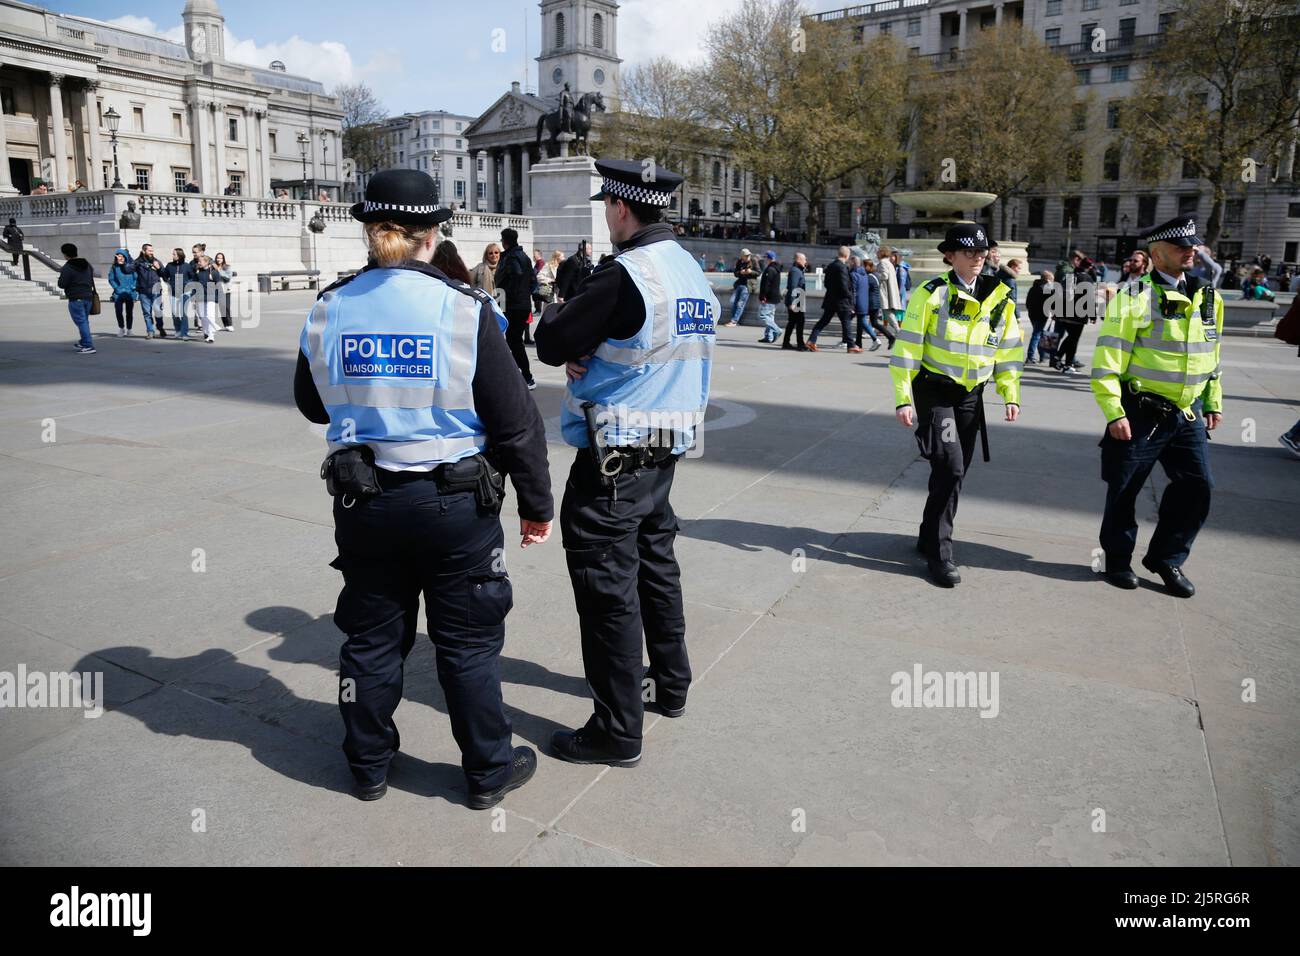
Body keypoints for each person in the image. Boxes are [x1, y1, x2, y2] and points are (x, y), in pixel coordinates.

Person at [294, 168, 553, 806]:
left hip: (366, 502)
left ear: (367, 231)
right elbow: (516, 422)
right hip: (454, 505)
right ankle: (488, 772)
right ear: (432, 235)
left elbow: (311, 404)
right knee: (466, 643)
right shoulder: (465, 308)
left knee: (372, 638)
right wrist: (538, 505)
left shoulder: (331, 305)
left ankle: (368, 766)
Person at [534, 158, 716, 767]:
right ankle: (671, 682)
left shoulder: (625, 274)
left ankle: (616, 729)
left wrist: (573, 337)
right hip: (666, 447)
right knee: (656, 565)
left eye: (606, 208)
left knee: (606, 587)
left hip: (614, 459)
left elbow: (551, 339)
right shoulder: (689, 269)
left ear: (619, 209)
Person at [1092, 217, 1223, 598]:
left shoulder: (1208, 296)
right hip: (1141, 410)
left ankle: (1166, 558)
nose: (1191, 250)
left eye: (1193, 245)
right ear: (1156, 253)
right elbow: (1108, 359)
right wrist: (1114, 411)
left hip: (1187, 412)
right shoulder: (1134, 297)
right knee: (1124, 488)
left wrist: (1212, 400)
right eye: (1182, 245)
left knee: (1198, 486)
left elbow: (1211, 354)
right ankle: (1118, 559)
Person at [889, 224, 1023, 588]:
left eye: (982, 252)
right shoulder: (930, 294)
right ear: (950, 256)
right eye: (969, 253)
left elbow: (1009, 351)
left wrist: (1010, 393)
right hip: (935, 393)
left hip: (970, 396)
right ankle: (939, 553)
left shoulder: (1000, 295)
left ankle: (927, 533)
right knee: (951, 467)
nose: (978, 258)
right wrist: (904, 398)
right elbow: (907, 347)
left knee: (952, 471)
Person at [494, 227, 537, 389]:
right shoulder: (524, 257)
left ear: (505, 241)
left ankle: (527, 376)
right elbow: (533, 282)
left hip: (513, 305)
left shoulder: (512, 257)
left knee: (514, 340)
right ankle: (520, 374)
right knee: (513, 340)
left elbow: (513, 278)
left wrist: (509, 299)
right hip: (520, 304)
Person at [807, 246, 854, 352]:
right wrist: (849, 296)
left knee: (823, 321)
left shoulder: (831, 265)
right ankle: (851, 346)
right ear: (847, 255)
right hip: (841, 300)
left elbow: (826, 283)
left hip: (830, 299)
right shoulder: (842, 267)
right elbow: (844, 285)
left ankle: (811, 341)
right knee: (846, 321)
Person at [57, 243, 97, 354]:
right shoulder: (87, 264)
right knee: (84, 321)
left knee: (81, 321)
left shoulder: (68, 267)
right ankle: (84, 342)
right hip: (88, 296)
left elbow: (62, 284)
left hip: (76, 297)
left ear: (65, 254)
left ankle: (88, 345)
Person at [849, 255, 881, 352]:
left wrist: (852, 304)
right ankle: (857, 343)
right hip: (864, 302)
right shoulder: (865, 275)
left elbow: (854, 291)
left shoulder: (855, 275)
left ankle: (875, 339)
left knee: (861, 321)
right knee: (860, 322)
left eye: (850, 262)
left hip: (859, 302)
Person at [133, 243, 165, 339]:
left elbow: (163, 274)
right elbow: (130, 272)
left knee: (158, 310)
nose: (151, 252)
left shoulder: (156, 261)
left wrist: (158, 268)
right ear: (144, 251)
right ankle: (150, 331)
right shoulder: (137, 262)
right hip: (143, 291)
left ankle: (160, 327)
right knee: (147, 312)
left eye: (152, 250)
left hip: (156, 290)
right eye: (149, 250)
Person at [1025, 271, 1055, 365]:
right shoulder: (1047, 289)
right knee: (1039, 335)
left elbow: (1028, 302)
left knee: (1039, 334)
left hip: (1032, 314)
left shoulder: (1033, 287)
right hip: (1042, 315)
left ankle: (1042, 356)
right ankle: (1032, 356)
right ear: (1048, 280)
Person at [162, 248, 191, 340]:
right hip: (173, 293)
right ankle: (178, 330)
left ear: (179, 255)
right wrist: (169, 283)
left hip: (185, 292)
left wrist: (187, 284)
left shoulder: (187, 266)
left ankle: (184, 333)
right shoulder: (169, 265)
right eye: (173, 254)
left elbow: (192, 277)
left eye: (174, 254)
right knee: (175, 313)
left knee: (183, 313)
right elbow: (164, 276)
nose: (173, 255)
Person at [107, 248, 138, 337]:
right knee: (118, 311)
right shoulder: (114, 267)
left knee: (129, 312)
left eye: (121, 256)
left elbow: (136, 277)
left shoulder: (130, 267)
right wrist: (116, 288)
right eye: (118, 256)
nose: (120, 258)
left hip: (129, 292)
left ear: (125, 257)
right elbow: (111, 279)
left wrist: (133, 287)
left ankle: (129, 329)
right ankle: (121, 328)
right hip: (118, 293)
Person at [191, 253, 221, 343]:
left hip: (210, 297)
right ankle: (207, 332)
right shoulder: (197, 272)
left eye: (200, 261)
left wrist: (218, 297)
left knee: (210, 315)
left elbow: (218, 285)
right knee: (203, 317)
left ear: (206, 262)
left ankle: (212, 335)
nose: (198, 263)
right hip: (200, 296)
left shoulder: (214, 272)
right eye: (198, 262)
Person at [865, 259, 894, 348]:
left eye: (864, 266)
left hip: (872, 303)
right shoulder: (875, 275)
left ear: (868, 267)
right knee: (873, 323)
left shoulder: (870, 277)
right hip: (875, 302)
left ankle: (884, 338)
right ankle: (890, 337)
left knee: (865, 321)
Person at [783, 252, 808, 350]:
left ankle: (786, 342)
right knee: (799, 322)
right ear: (798, 260)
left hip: (799, 298)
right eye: (804, 259)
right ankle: (800, 344)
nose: (806, 261)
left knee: (793, 322)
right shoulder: (795, 271)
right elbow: (792, 287)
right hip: (797, 299)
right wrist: (792, 302)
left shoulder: (798, 270)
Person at [726, 248, 758, 326]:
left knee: (740, 304)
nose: (748, 257)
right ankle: (734, 320)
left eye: (749, 255)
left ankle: (734, 321)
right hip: (739, 284)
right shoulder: (739, 262)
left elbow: (759, 273)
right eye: (746, 256)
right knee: (734, 302)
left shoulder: (753, 261)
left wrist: (751, 272)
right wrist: (740, 272)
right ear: (742, 256)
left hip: (748, 285)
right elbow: (735, 273)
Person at [876, 244, 903, 336]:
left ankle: (897, 329)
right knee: (884, 311)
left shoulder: (883, 263)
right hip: (888, 291)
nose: (876, 253)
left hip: (884, 291)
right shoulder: (889, 263)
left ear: (882, 253)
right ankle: (897, 329)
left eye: (878, 251)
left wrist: (874, 276)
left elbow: (884, 275)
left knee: (886, 311)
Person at [756, 250, 782, 344]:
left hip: (769, 297)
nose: (765, 259)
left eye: (766, 257)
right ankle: (769, 336)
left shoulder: (770, 269)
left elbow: (766, 285)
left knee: (762, 316)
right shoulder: (776, 268)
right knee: (770, 317)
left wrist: (763, 296)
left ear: (769, 258)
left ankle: (777, 329)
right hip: (775, 297)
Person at [214, 252, 235, 331]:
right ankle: (226, 325)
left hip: (226, 290)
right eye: (217, 258)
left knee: (227, 307)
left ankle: (230, 324)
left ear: (223, 259)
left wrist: (219, 271)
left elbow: (228, 278)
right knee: (222, 308)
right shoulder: (213, 268)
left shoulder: (227, 267)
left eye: (220, 258)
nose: (219, 259)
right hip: (218, 289)